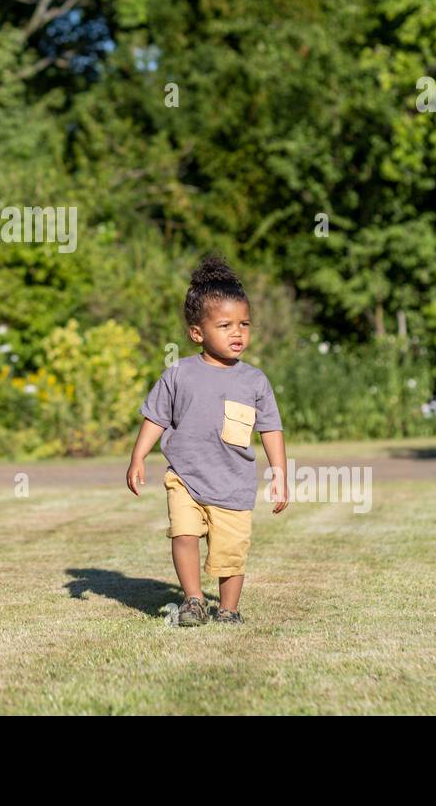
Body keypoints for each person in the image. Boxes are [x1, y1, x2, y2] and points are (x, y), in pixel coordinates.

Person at [126, 255, 289, 626]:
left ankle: (228, 608)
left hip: (233, 483)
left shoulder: (254, 381)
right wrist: (138, 457)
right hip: (184, 475)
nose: (238, 333)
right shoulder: (179, 373)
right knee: (183, 532)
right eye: (226, 325)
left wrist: (279, 473)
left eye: (244, 324)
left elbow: (271, 430)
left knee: (232, 551)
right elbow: (155, 417)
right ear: (197, 333)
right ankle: (194, 600)